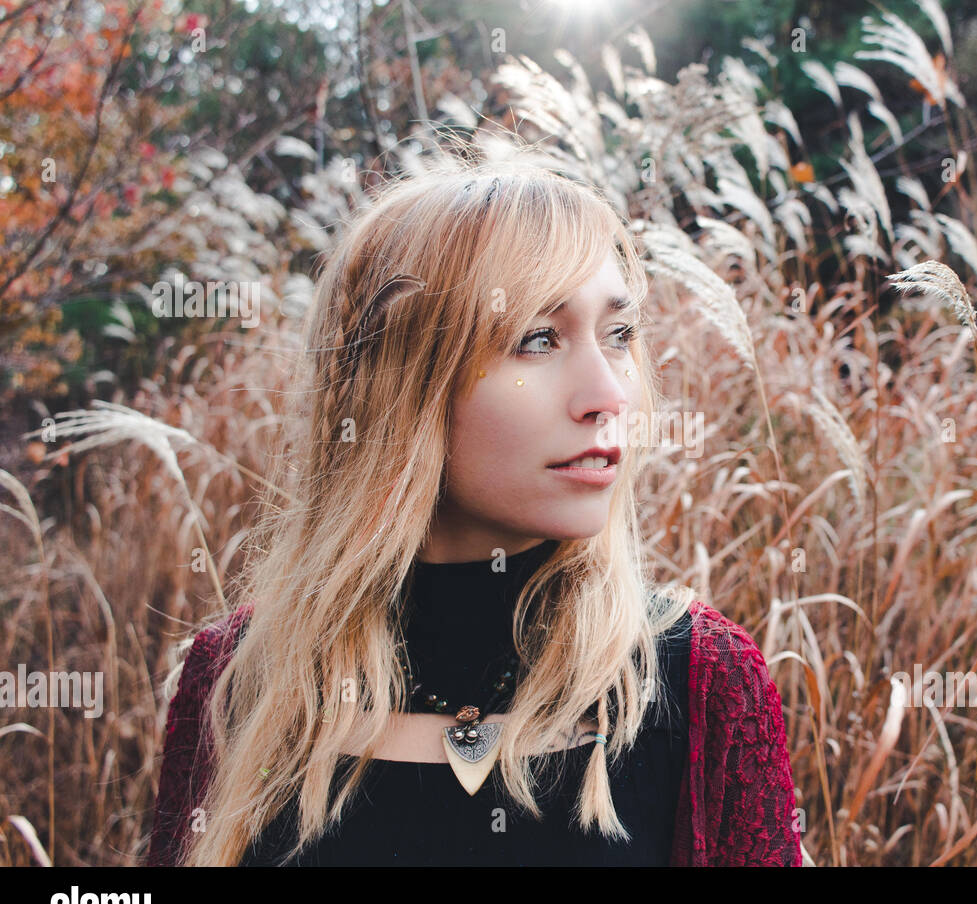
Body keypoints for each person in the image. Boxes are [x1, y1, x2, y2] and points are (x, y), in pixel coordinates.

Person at [146, 145, 802, 866]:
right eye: (537, 339)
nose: (609, 395)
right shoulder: (237, 680)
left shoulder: (697, 683)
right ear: (404, 384)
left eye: (619, 335)